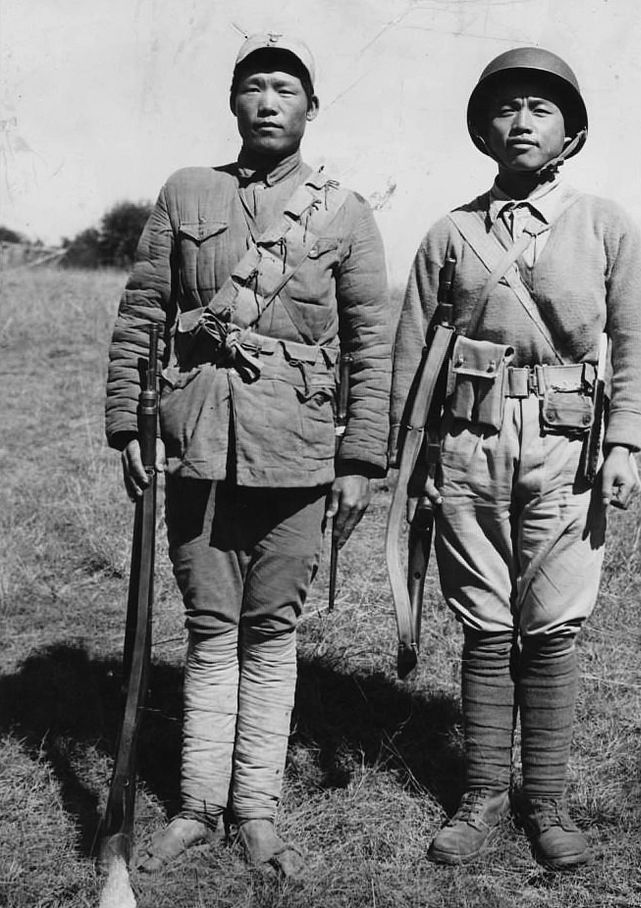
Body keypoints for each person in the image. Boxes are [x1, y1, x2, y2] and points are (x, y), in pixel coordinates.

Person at [105, 33, 392, 879]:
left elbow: (372, 345)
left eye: (287, 90)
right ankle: (196, 804)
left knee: (271, 632)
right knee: (207, 629)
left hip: (299, 454)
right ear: (233, 104)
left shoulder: (345, 211)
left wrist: (359, 460)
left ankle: (257, 811)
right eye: (254, 88)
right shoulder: (187, 193)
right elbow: (144, 310)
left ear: (311, 108)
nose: (269, 102)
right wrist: (130, 424)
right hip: (192, 445)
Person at [390, 47, 641, 870]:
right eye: (506, 109)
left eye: (541, 110)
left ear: (570, 133)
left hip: (569, 446)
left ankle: (544, 803)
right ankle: (479, 798)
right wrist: (408, 464)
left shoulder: (604, 223)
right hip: (468, 443)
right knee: (484, 621)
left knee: (551, 626)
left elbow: (634, 340)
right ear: (485, 129)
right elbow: (409, 354)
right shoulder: (450, 232)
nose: (521, 122)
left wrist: (624, 443)